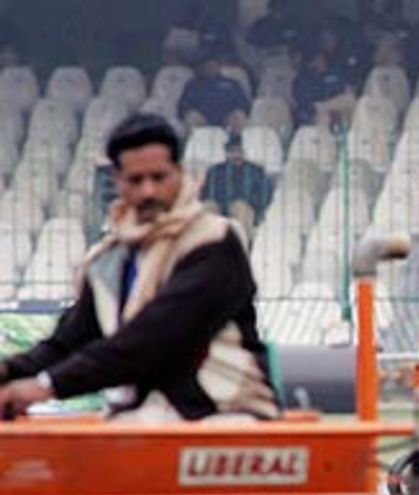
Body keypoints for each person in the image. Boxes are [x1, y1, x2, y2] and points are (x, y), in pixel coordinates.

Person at [0, 114, 279, 421]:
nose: (148, 192)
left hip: (225, 416)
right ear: (118, 182)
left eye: (159, 178)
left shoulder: (213, 242)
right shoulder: (109, 258)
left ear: (180, 173)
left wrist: (45, 386)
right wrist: (10, 372)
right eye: (136, 180)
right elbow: (68, 342)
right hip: (144, 418)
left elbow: (153, 340)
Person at [200, 133, 273, 235]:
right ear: (226, 153)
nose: (236, 155)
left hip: (245, 208)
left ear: (244, 152)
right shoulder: (215, 170)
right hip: (219, 206)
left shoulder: (256, 171)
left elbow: (265, 195)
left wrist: (257, 210)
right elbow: (204, 194)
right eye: (232, 152)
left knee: (240, 207)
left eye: (239, 151)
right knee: (208, 208)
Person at [177, 52, 251, 132]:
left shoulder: (231, 84)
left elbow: (243, 104)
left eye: (214, 65)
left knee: (239, 116)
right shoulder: (193, 85)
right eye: (208, 65)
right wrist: (196, 115)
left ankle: (237, 142)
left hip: (227, 121)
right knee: (191, 117)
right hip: (202, 121)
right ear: (203, 67)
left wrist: (230, 115)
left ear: (219, 66)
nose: (211, 68)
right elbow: (184, 105)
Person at [292, 43, 356, 128]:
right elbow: (304, 105)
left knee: (350, 100)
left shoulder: (335, 73)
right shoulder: (303, 80)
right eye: (318, 60)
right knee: (324, 117)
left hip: (336, 106)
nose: (321, 62)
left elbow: (344, 90)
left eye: (322, 59)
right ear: (311, 62)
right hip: (316, 113)